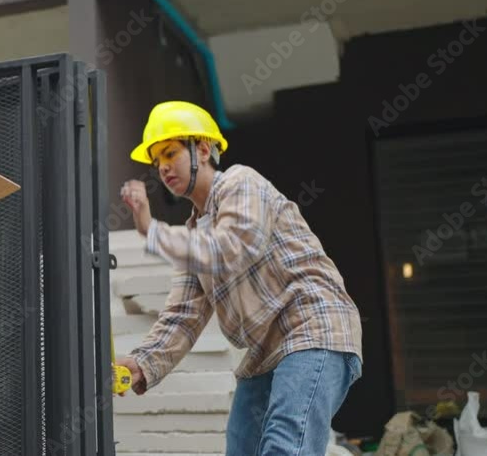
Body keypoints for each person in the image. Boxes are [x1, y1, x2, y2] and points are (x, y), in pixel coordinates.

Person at [116, 101, 363, 456]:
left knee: (284, 446)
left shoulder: (241, 183)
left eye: (170, 153)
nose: (163, 167)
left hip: (313, 328)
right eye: (156, 161)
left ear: (202, 148)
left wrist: (152, 231)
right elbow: (183, 316)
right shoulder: (194, 232)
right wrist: (141, 364)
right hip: (265, 351)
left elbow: (232, 248)